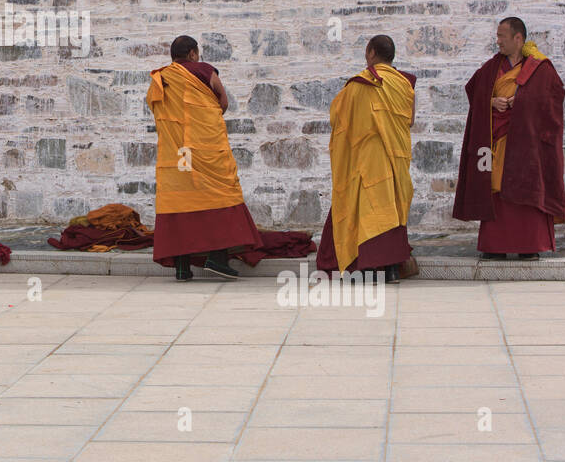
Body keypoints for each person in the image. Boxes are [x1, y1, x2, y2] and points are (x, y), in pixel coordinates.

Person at [147, 35, 314, 281]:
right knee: (220, 196)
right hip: (206, 149)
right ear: (193, 53)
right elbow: (222, 103)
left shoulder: (161, 79)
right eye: (197, 53)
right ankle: (216, 257)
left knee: (180, 201)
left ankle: (182, 267)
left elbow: (158, 110)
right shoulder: (204, 71)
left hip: (179, 154)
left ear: (173, 57)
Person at [453, 17, 565, 260]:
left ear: (518, 38)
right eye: (497, 36)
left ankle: (528, 246)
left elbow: (553, 99)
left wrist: (523, 101)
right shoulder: (492, 67)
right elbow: (474, 92)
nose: (498, 41)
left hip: (527, 144)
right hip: (496, 143)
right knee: (495, 187)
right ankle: (496, 245)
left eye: (502, 36)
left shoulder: (540, 68)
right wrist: (491, 101)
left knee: (528, 189)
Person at [316, 35, 417, 282]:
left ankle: (372, 267)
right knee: (390, 207)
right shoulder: (404, 83)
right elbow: (410, 120)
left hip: (368, 159)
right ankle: (392, 268)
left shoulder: (360, 84)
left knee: (370, 208)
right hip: (396, 156)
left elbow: (338, 117)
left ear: (371, 53)